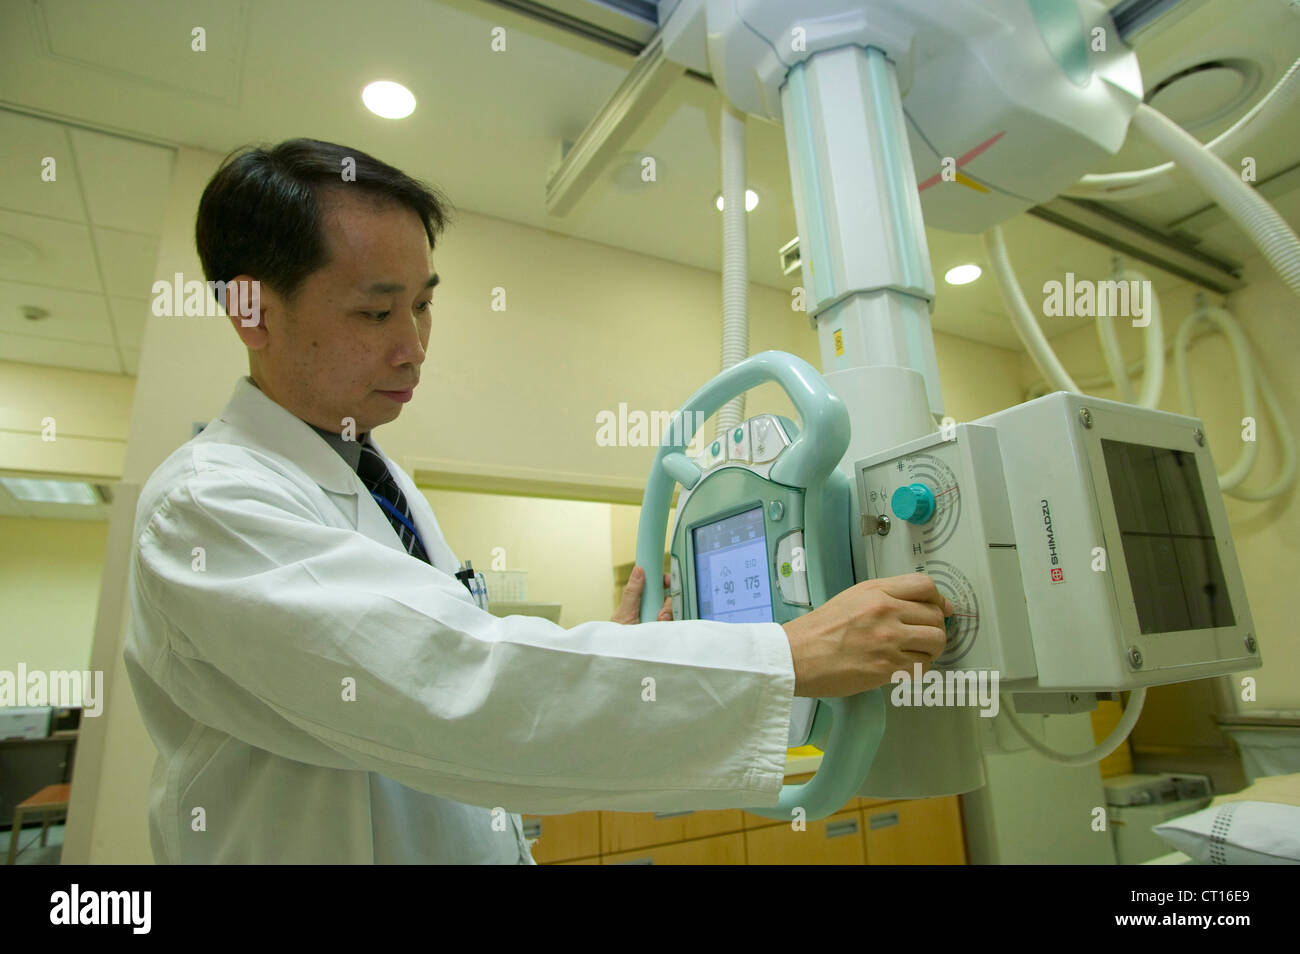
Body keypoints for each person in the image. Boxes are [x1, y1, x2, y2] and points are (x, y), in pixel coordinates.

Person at [123, 138, 953, 864]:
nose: (413, 346)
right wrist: (787, 657)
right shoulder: (211, 506)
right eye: (376, 310)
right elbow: (454, 690)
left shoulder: (376, 481)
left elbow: (470, 678)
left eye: (424, 304)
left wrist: (630, 659)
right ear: (250, 310)